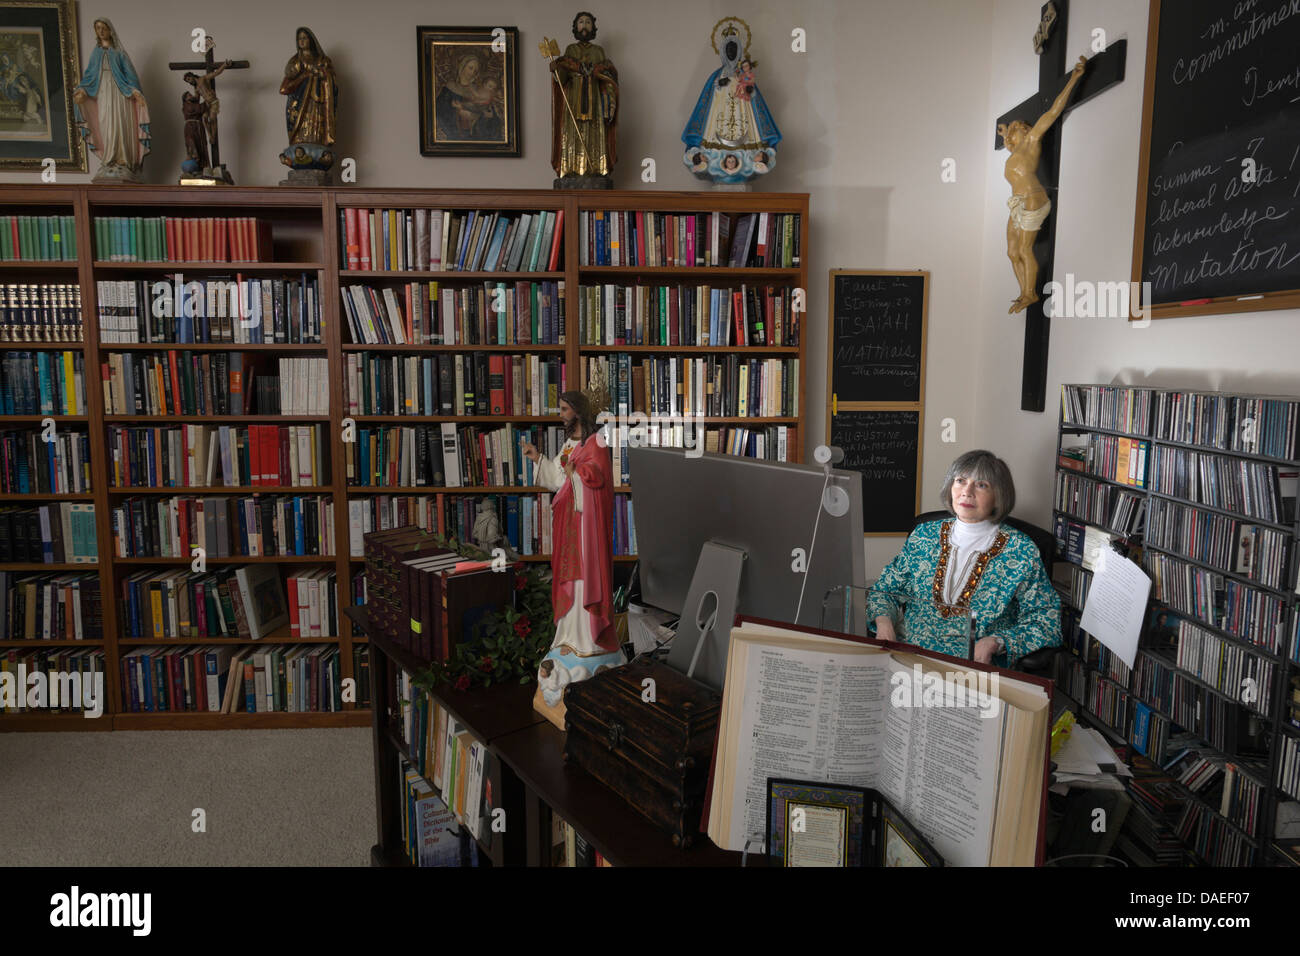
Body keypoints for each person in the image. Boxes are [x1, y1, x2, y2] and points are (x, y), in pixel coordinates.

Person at [869, 450, 1061, 666]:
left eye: (981, 485)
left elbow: (1047, 621)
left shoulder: (1022, 550)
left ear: (1000, 495)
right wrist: (884, 623)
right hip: (910, 657)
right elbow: (885, 591)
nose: (966, 492)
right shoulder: (923, 535)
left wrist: (997, 642)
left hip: (974, 668)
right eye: (960, 481)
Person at [522, 391, 620, 724]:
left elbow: (599, 479)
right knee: (569, 582)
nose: (561, 414)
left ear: (578, 411)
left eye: (565, 409)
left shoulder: (597, 442)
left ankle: (588, 639)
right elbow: (558, 480)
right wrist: (540, 460)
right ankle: (567, 639)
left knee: (584, 582)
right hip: (569, 529)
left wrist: (579, 469)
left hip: (587, 532)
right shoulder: (568, 446)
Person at [999, 55, 1086, 314]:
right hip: (1017, 203)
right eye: (1018, 129)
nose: (1022, 129)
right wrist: (1005, 138)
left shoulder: (1033, 141)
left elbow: (1053, 111)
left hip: (1034, 199)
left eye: (1021, 128)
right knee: (1012, 252)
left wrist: (1074, 78)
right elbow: (1012, 153)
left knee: (1025, 248)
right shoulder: (1013, 154)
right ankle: (1024, 292)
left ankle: (1030, 293)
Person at [72, 18, 151, 182]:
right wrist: (82, 90)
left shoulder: (119, 53)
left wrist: (135, 92)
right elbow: (89, 77)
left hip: (121, 96)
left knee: (121, 125)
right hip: (103, 94)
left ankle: (123, 159)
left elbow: (130, 77)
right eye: (97, 28)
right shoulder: (96, 53)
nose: (100, 31)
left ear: (110, 30)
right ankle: (109, 159)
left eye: (103, 28)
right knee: (106, 124)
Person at [549, 11, 618, 180]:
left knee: (595, 129)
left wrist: (609, 96)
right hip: (574, 96)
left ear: (593, 27)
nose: (584, 26)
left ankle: (596, 168)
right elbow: (563, 79)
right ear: (576, 27)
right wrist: (557, 68)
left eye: (588, 22)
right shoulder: (570, 49)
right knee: (573, 130)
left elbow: (607, 76)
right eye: (581, 22)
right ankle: (571, 168)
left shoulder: (598, 51)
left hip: (594, 97)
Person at [280, 27, 336, 149]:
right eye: (299, 38)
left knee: (316, 127)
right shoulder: (295, 61)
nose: (302, 41)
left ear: (311, 40)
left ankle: (319, 142)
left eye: (304, 38)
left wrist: (322, 74)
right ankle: (299, 143)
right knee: (300, 129)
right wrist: (305, 75)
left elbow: (331, 78)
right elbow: (286, 85)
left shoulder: (322, 60)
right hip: (300, 100)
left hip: (317, 102)